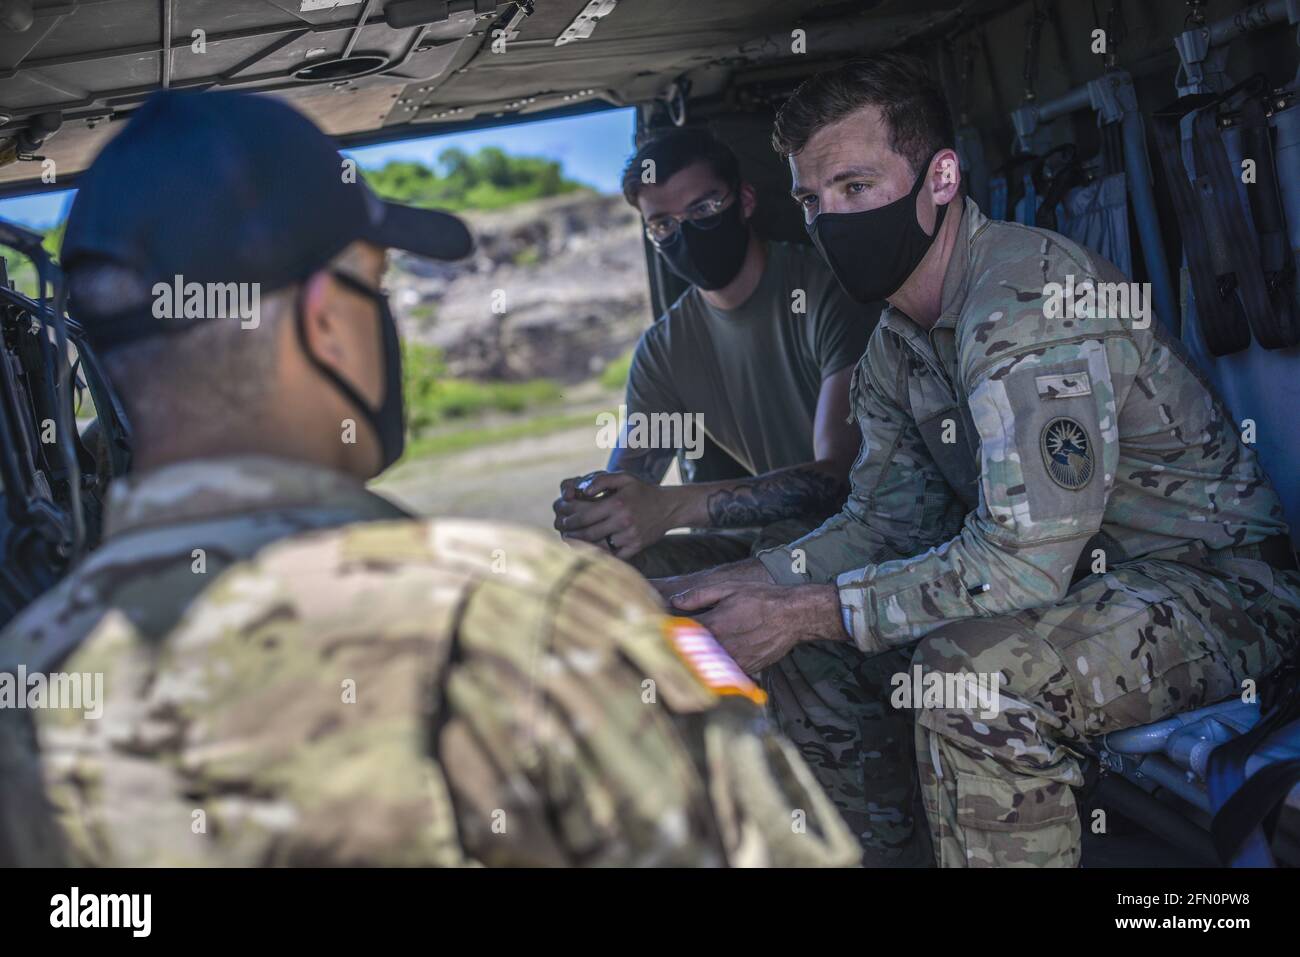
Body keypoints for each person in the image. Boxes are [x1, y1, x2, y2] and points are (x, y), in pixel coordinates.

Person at [0, 89, 858, 868]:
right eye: (377, 287)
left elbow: (831, 474)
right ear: (328, 323)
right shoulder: (517, 623)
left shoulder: (32, 678)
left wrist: (654, 507)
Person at [661, 52, 1300, 867]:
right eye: (813, 200)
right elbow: (884, 522)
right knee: (809, 643)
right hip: (1085, 585)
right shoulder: (898, 341)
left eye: (856, 188)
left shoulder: (1023, 303)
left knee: (966, 676)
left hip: (1222, 592)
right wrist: (738, 586)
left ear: (941, 177)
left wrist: (804, 608)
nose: (830, 220)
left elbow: (1023, 565)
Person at [553, 128, 877, 579]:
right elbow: (631, 475)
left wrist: (673, 508)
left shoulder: (824, 294)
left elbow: (837, 477)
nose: (685, 232)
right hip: (759, 543)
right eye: (663, 224)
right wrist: (596, 511)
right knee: (611, 577)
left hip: (862, 533)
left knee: (774, 551)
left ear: (743, 201)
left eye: (703, 209)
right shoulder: (665, 349)